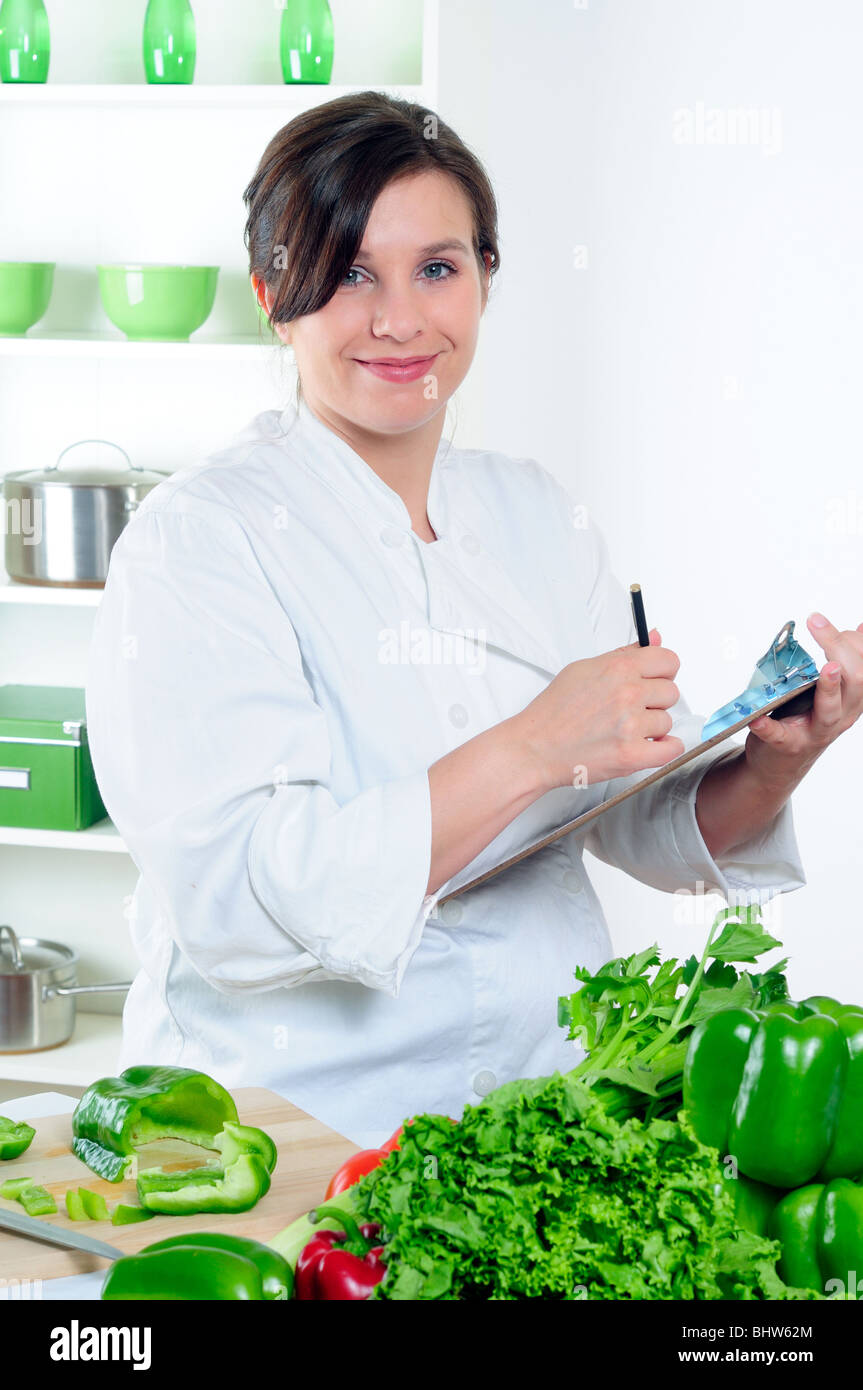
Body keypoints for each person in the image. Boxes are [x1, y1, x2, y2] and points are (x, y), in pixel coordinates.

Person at [85, 92, 862, 1149]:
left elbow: (636, 814)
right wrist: (530, 744)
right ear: (275, 292)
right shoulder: (200, 542)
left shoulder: (538, 514)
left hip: (537, 1116)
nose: (400, 319)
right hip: (291, 1130)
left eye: (438, 268)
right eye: (351, 272)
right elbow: (237, 898)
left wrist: (774, 752)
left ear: (486, 278)